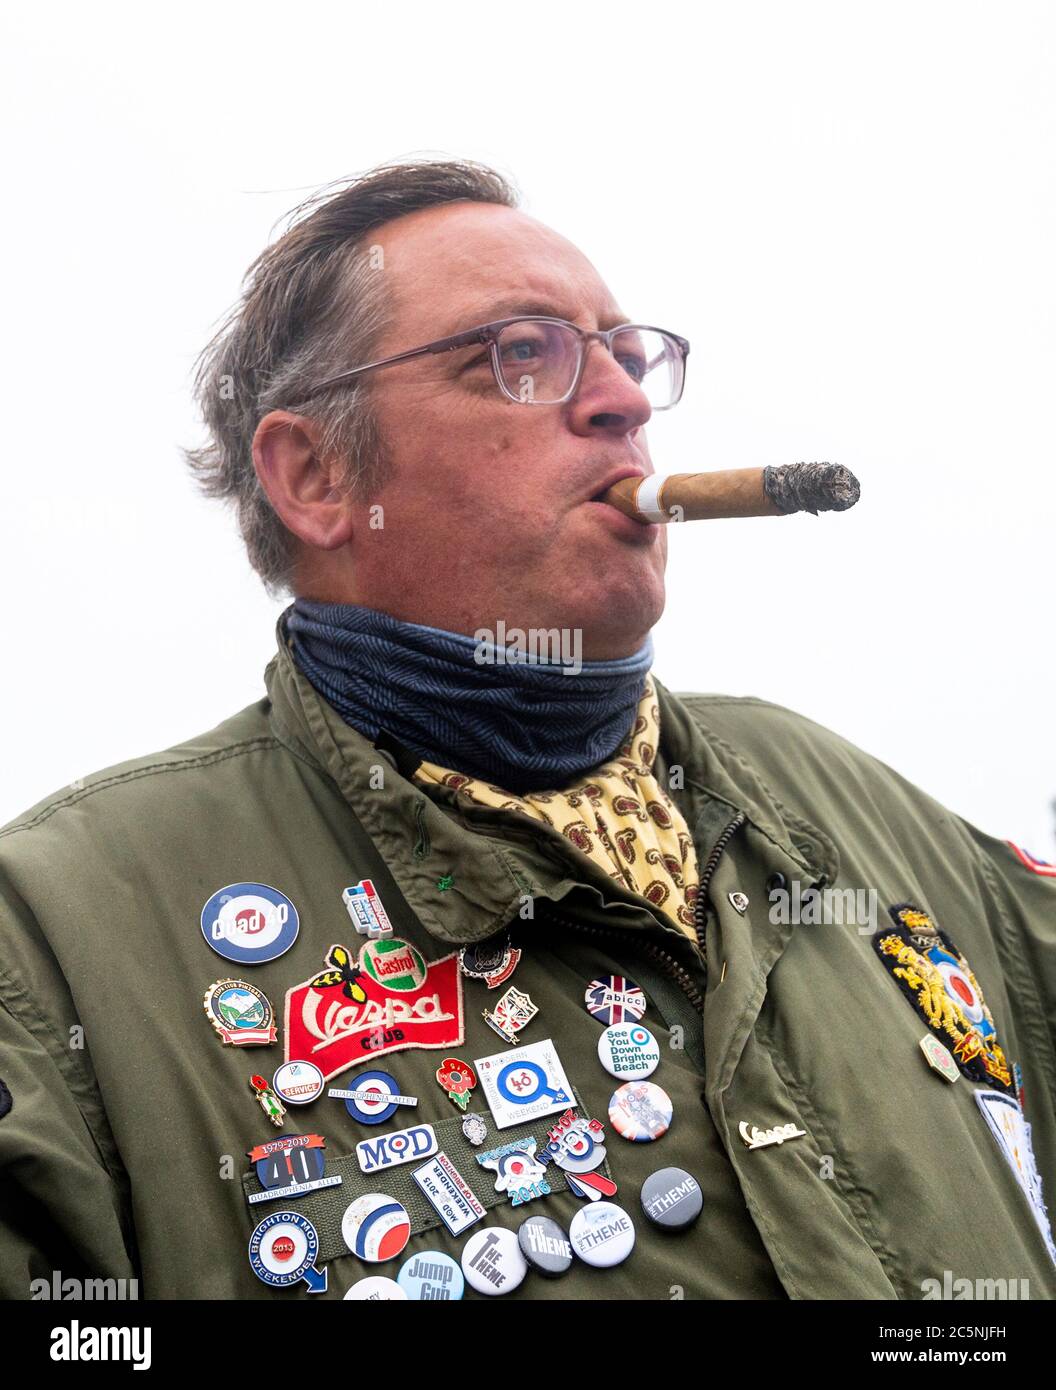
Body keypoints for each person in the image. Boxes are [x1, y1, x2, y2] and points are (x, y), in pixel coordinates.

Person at [1, 158, 1053, 1302]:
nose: (624, 402)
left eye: (625, 353)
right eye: (519, 355)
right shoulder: (62, 937)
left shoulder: (850, 800)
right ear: (315, 475)